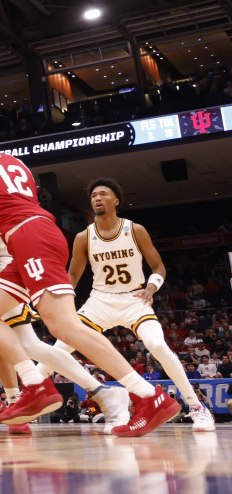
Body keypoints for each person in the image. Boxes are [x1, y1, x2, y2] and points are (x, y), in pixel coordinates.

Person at [0, 110, 179, 437]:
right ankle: (37, 386)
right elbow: (12, 203)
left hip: (30, 238)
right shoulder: (15, 163)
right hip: (29, 238)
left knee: (63, 325)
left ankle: (145, 395)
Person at [34, 178, 215, 432]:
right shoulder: (83, 236)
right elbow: (72, 277)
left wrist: (151, 288)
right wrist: (58, 300)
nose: (97, 198)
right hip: (99, 301)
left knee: (157, 345)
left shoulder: (135, 229)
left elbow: (158, 267)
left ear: (115, 201)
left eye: (103, 194)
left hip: (134, 299)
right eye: (94, 195)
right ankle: (30, 397)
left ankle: (197, 407)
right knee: (59, 347)